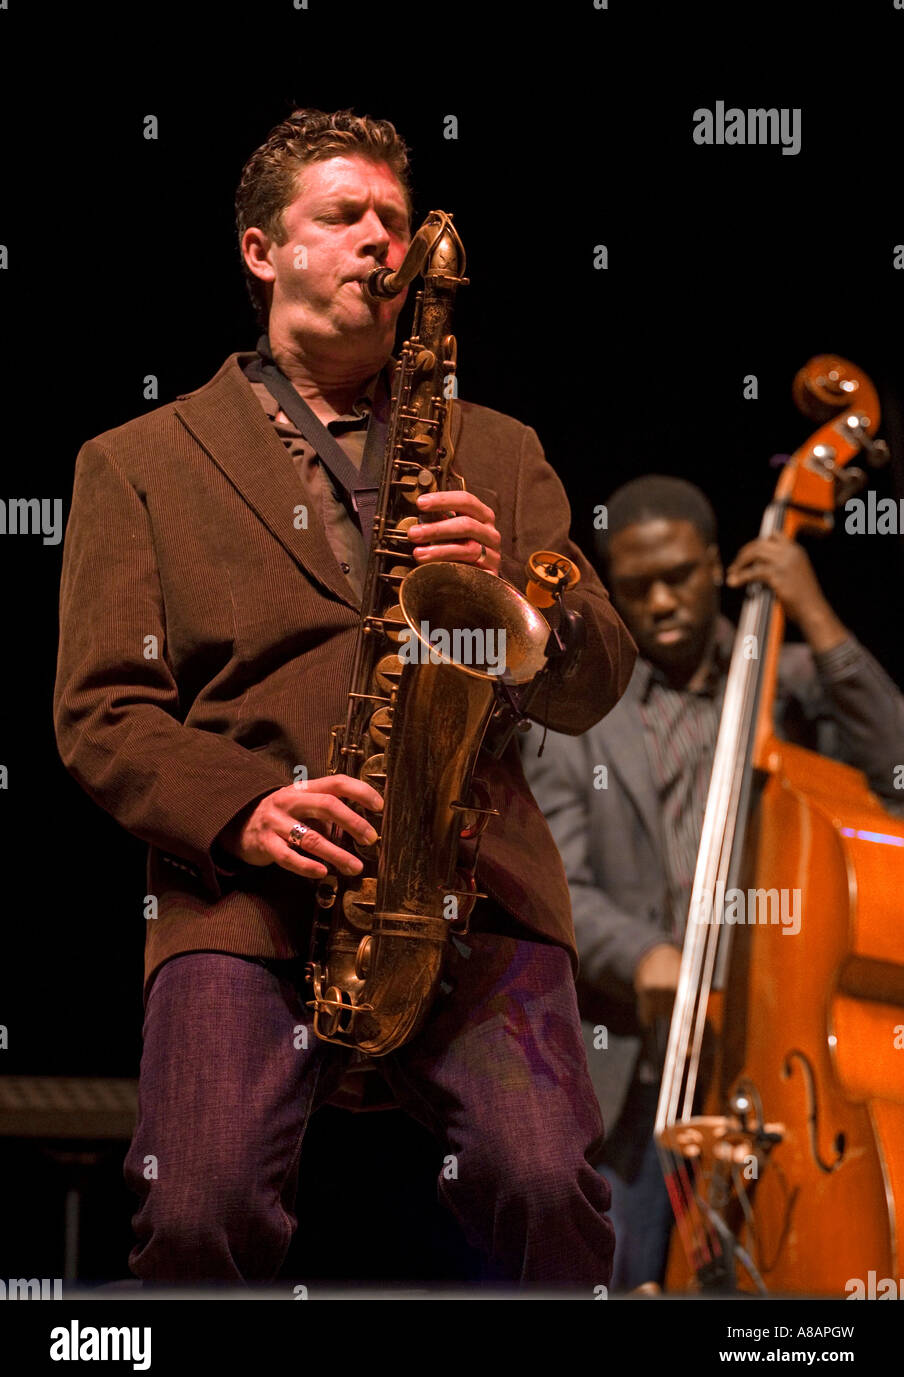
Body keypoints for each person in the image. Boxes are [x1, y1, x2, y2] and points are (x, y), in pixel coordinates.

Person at [52, 108, 637, 1288]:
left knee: (547, 1193)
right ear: (262, 251)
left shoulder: (500, 450)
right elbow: (102, 710)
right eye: (344, 216)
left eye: (395, 218)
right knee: (198, 1212)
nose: (382, 240)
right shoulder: (136, 461)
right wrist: (246, 811)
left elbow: (593, 682)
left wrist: (523, 593)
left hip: (473, 885)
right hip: (246, 897)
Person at [522, 473, 904, 1291]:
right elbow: (556, 879)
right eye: (637, 587)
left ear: (718, 565)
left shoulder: (789, 685)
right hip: (635, 1068)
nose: (661, 601)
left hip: (777, 1059)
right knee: (618, 1277)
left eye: (680, 576)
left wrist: (814, 612)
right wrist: (647, 959)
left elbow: (897, 767)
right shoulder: (583, 712)